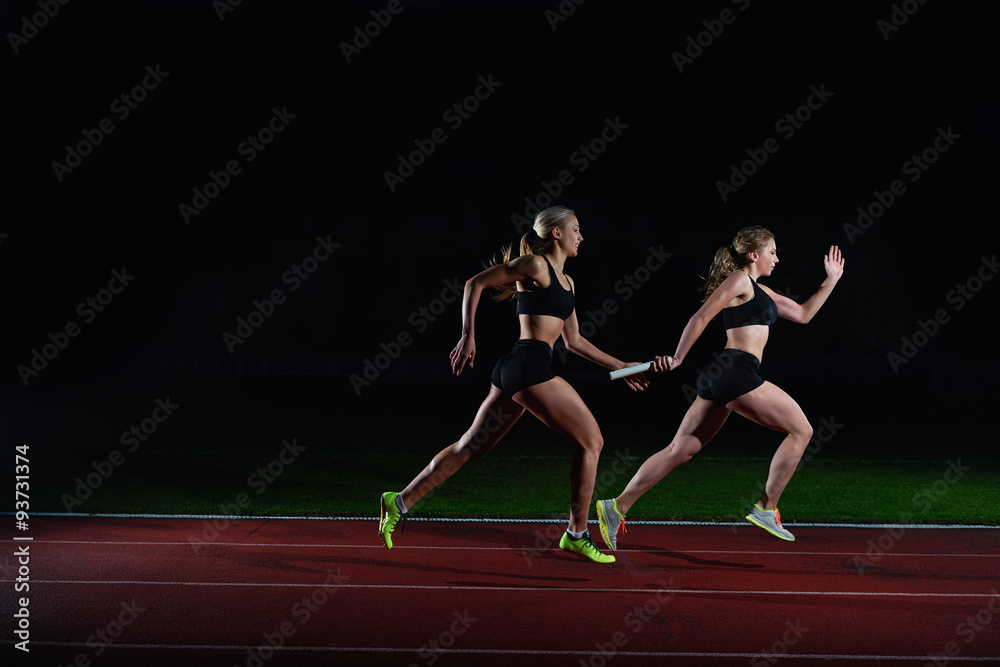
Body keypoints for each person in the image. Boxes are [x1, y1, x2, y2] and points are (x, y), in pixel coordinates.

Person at [379, 206, 648, 564]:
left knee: (471, 448)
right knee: (592, 441)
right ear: (556, 233)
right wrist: (467, 336)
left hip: (519, 369)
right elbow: (474, 283)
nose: (581, 237)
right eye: (576, 229)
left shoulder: (568, 282)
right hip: (528, 367)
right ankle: (576, 533)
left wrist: (622, 367)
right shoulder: (535, 266)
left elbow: (575, 341)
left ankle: (397, 501)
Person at [596, 226, 844, 546]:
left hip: (723, 375)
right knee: (803, 430)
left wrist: (831, 280)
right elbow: (701, 317)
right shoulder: (739, 279)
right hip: (736, 371)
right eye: (772, 252)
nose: (777, 259)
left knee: (681, 449)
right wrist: (679, 357)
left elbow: (803, 313)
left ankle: (616, 507)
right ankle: (766, 509)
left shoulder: (762, 292)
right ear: (754, 255)